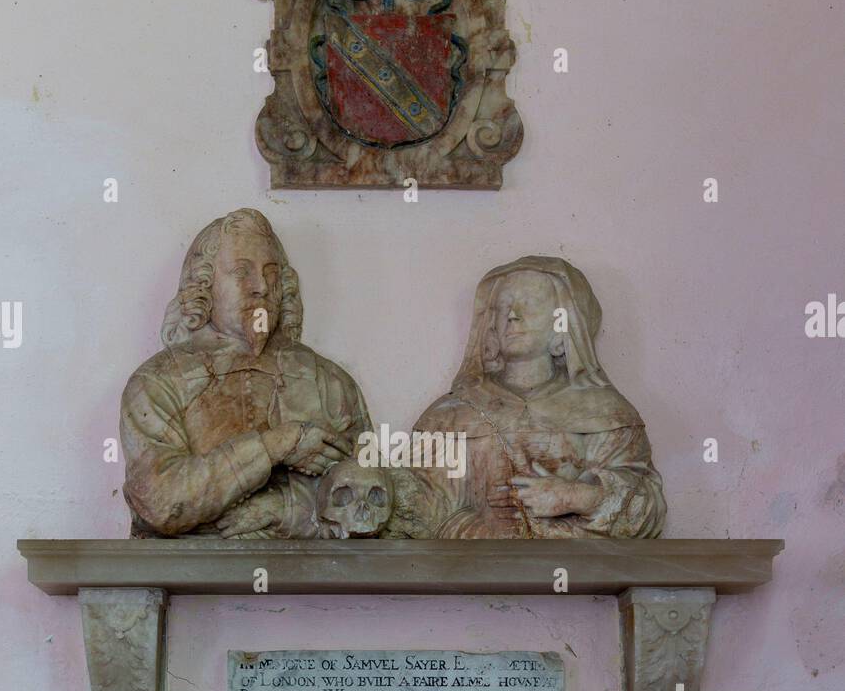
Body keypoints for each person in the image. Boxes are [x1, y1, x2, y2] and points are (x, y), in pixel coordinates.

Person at [120, 208, 370, 538]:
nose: (261, 288)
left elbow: (372, 492)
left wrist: (288, 510)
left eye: (271, 274)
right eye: (242, 272)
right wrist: (274, 446)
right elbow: (161, 502)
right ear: (204, 286)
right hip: (192, 577)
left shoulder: (328, 382)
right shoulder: (159, 382)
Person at [403, 255, 666, 538]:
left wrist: (576, 496)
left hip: (582, 575)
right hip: (476, 575)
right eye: (502, 307)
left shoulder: (606, 412)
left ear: (563, 325)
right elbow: (417, 513)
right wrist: (490, 530)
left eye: (530, 304)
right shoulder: (449, 416)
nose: (512, 315)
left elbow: (647, 512)